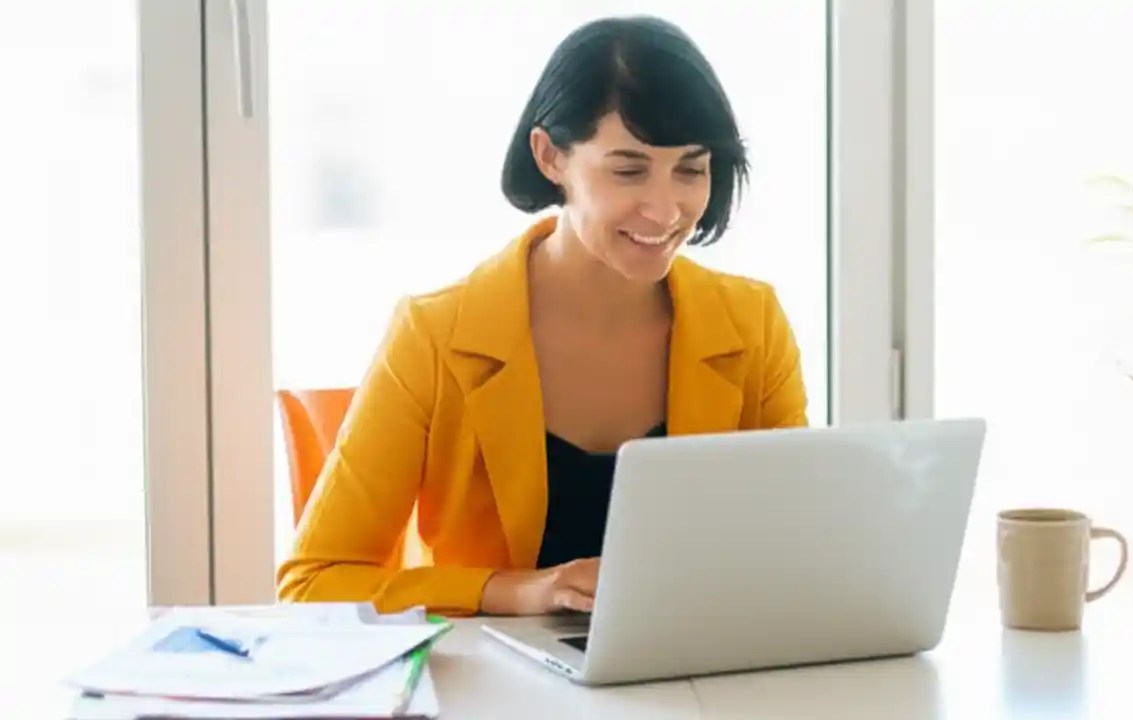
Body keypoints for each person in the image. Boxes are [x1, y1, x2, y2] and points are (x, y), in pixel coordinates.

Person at [276, 15, 808, 617]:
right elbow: (313, 581)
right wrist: (520, 590)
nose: (666, 210)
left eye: (691, 168)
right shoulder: (435, 335)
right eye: (628, 169)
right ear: (551, 156)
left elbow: (794, 548)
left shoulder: (752, 324)